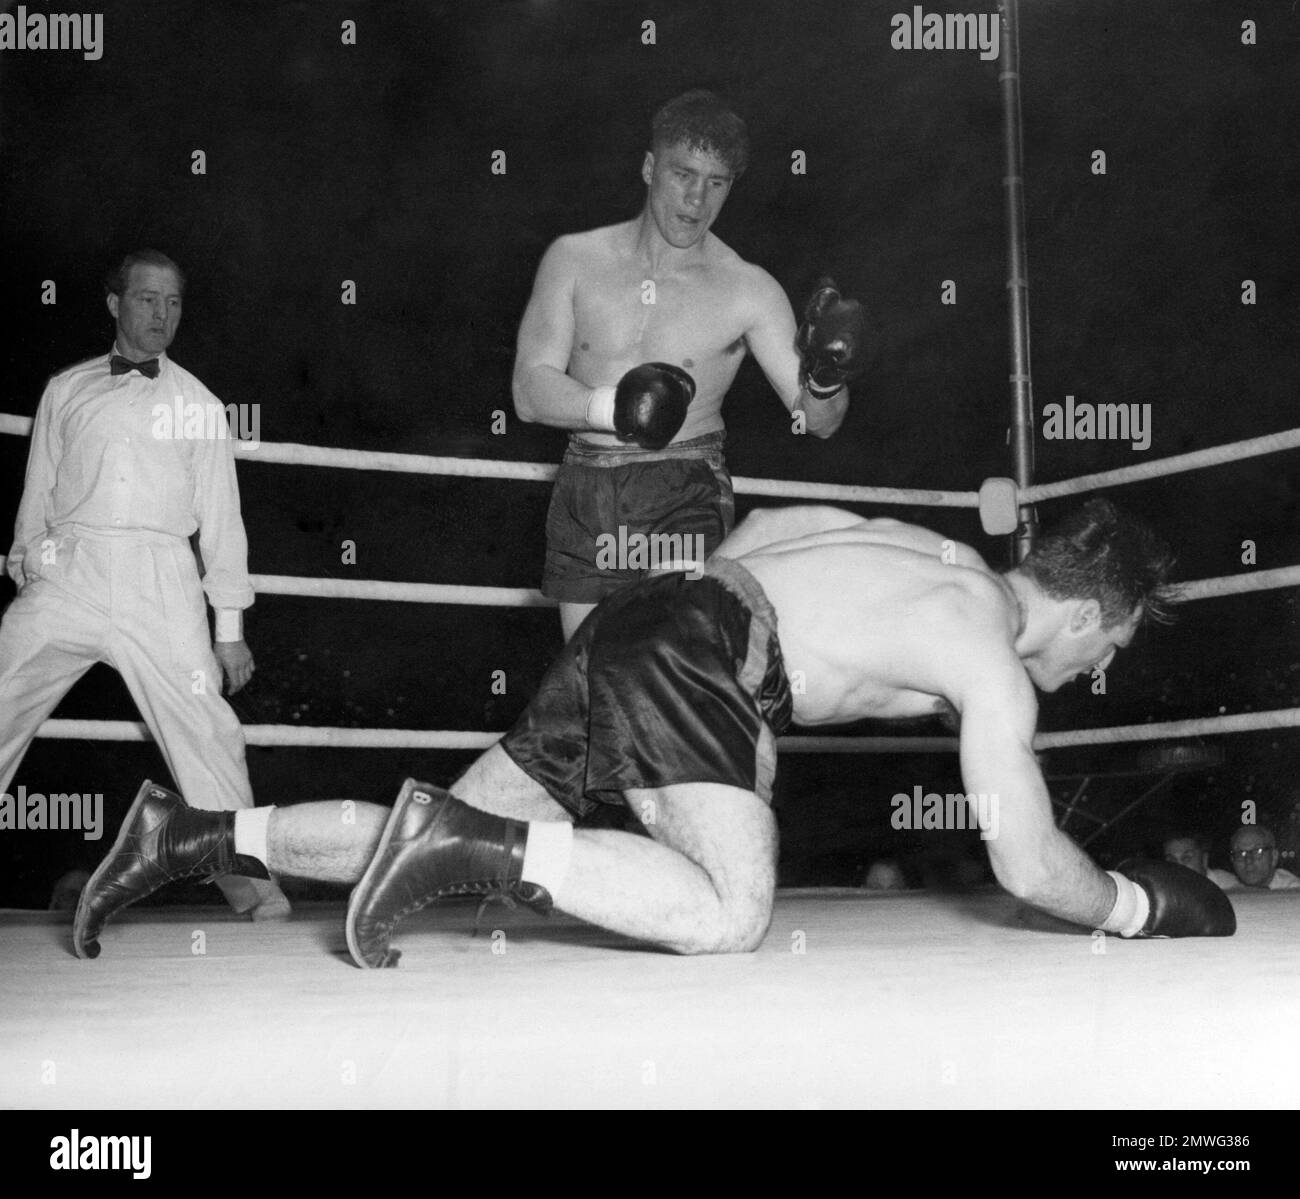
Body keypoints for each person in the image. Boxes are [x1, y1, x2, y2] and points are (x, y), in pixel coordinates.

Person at [73, 498, 1236, 964]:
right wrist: (1134, 903)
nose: (1097, 673)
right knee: (730, 911)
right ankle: (470, 849)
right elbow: (1024, 859)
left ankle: (190, 834)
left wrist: (731, 674)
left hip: (655, 619)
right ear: (1086, 609)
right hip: (699, 649)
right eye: (1111, 647)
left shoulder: (919, 548)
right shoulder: (991, 661)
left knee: (442, 824)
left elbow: (772, 526)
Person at [512, 89, 868, 639]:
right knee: (589, 678)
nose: (697, 199)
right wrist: (614, 409)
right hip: (586, 483)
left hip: (684, 486)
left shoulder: (748, 289)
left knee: (662, 660)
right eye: (684, 174)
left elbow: (818, 423)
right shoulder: (575, 260)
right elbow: (529, 393)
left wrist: (826, 376)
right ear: (650, 167)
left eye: (716, 183)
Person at [1, 249, 289, 920]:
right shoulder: (65, 389)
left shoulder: (201, 404)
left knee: (207, 727)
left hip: (162, 581)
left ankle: (251, 885)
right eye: (147, 299)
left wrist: (230, 631)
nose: (161, 314)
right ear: (114, 303)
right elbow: (36, 491)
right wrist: (30, 568)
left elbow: (222, 522)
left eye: (173, 302)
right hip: (70, 572)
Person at [1227, 825, 1300, 890]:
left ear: (1274, 857)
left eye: (1257, 851)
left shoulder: (1293, 892)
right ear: (1232, 860)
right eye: (1240, 853)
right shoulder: (1229, 894)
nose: (1248, 860)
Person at [1162, 832, 1237, 891]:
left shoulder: (1229, 887)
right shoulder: (1160, 889)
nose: (1179, 865)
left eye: (1186, 858)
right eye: (1172, 859)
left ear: (1204, 859)